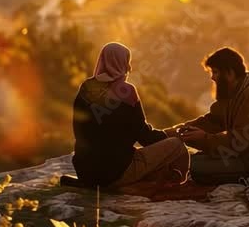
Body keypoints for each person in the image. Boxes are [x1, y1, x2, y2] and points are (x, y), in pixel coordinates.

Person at [72, 42, 190, 188]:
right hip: (115, 174)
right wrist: (172, 134)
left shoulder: (86, 88)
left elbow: (79, 130)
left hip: (86, 173)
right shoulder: (126, 92)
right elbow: (145, 137)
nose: (130, 68)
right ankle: (177, 184)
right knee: (177, 145)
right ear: (122, 64)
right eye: (127, 62)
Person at [170, 47, 249, 185]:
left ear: (230, 73)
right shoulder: (233, 94)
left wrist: (205, 138)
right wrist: (169, 134)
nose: (212, 77)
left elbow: (239, 142)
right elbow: (211, 121)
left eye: (215, 72)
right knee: (183, 159)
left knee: (189, 166)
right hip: (241, 158)